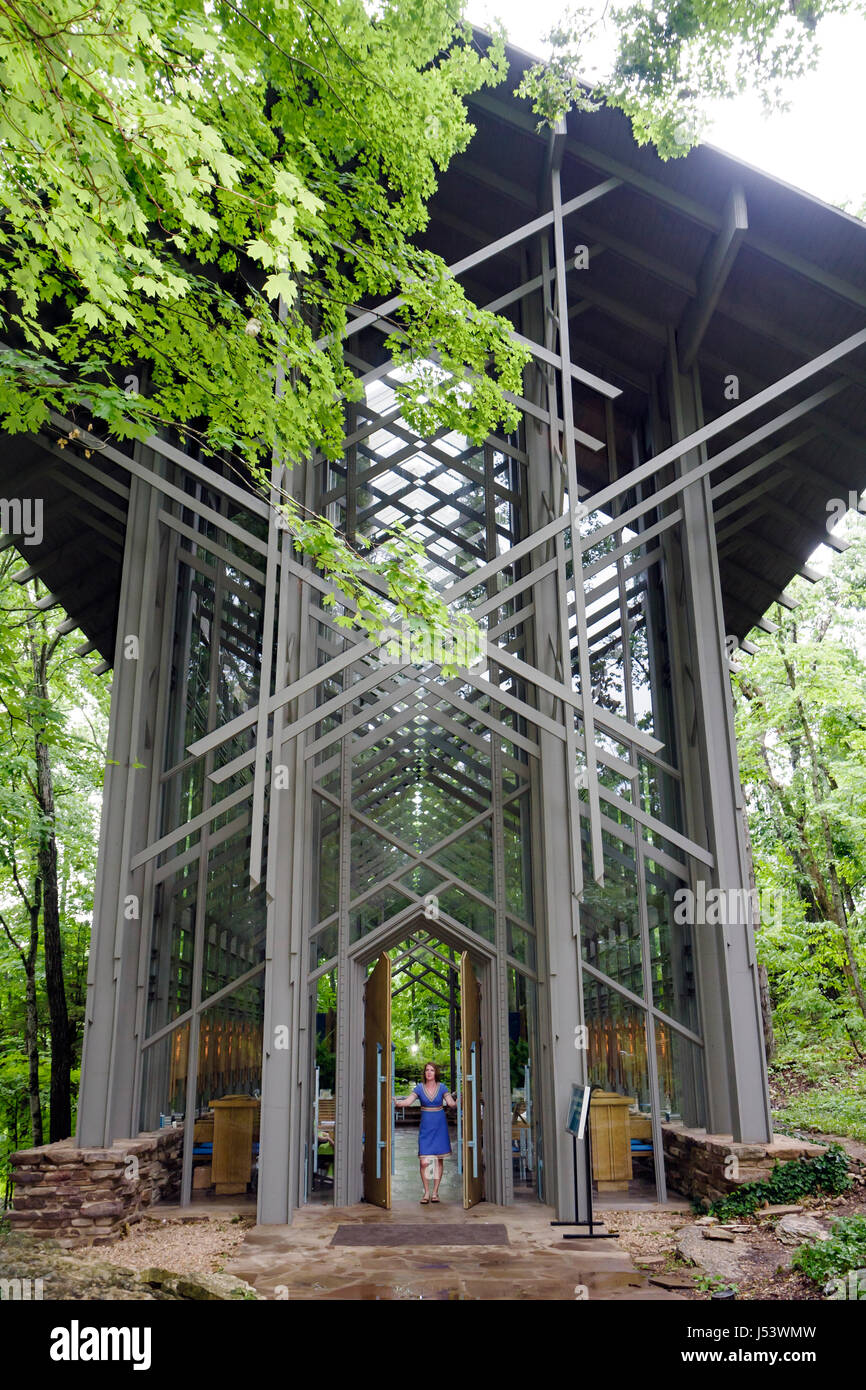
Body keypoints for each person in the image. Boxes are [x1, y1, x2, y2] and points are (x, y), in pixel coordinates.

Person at [394, 1061, 457, 1203]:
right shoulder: (419, 1088)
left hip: (440, 1127)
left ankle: (435, 1193)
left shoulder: (442, 1088)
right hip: (426, 1128)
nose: (429, 1072)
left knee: (438, 1159)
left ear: (436, 1073)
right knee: (424, 1162)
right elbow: (408, 1102)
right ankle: (426, 1192)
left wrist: (461, 1100)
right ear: (424, 1073)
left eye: (432, 1070)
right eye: (427, 1070)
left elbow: (452, 1104)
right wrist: (396, 1102)